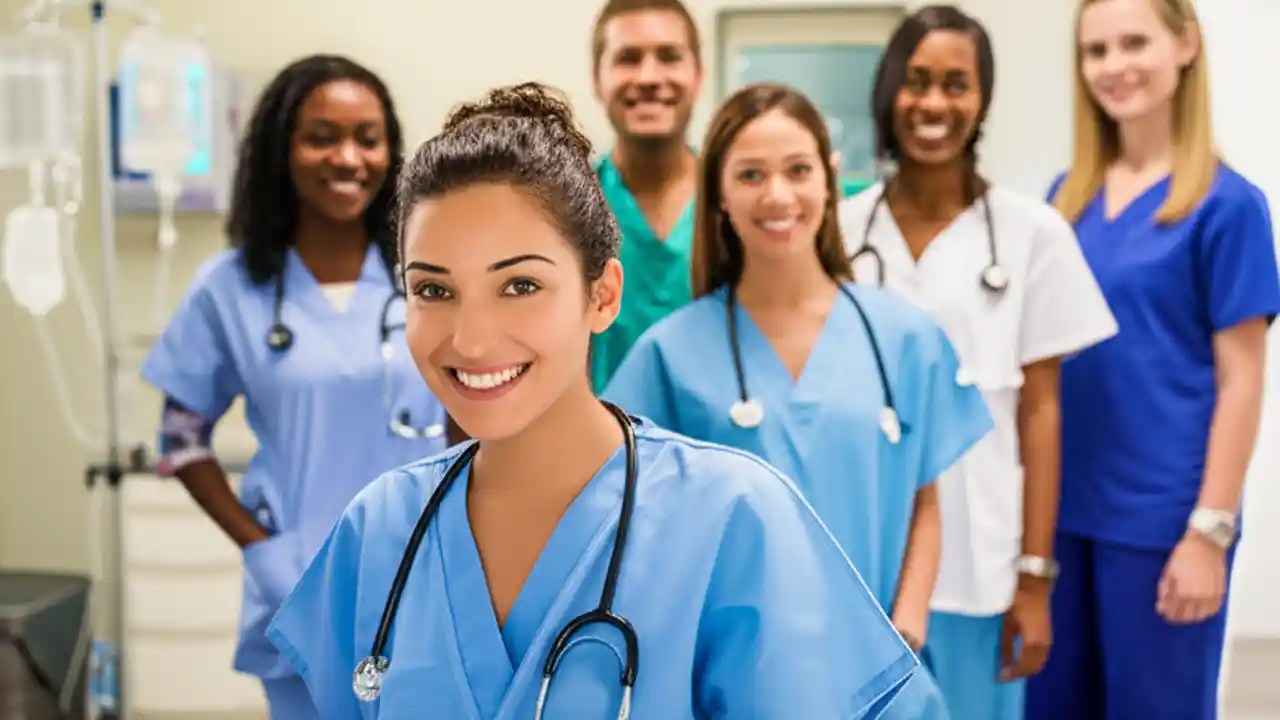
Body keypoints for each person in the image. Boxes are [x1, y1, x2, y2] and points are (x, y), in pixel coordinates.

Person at [265, 81, 922, 719]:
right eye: (433, 291)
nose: (469, 339)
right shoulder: (379, 531)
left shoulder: (733, 520)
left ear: (603, 296)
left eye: (519, 285)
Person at [602, 82, 995, 717]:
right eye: (751, 174)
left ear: (830, 180)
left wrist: (911, 621)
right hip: (738, 680)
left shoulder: (903, 337)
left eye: (798, 170)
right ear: (720, 195)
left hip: (885, 674)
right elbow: (641, 526)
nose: (778, 195)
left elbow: (926, 497)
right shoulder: (670, 354)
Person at [140, 55, 448, 719]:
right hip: (298, 580)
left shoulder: (426, 273)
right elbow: (180, 439)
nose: (349, 157)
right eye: (322, 136)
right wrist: (260, 545)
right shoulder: (231, 288)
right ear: (283, 149)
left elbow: (467, 414)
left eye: (368, 137)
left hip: (423, 570)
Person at [836, 7, 1118, 720]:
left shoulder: (1032, 235)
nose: (933, 103)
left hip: (983, 568)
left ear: (983, 99)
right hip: (859, 561)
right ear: (888, 90)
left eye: (956, 84)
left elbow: (1042, 410)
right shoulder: (837, 231)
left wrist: (1034, 579)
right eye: (917, 81)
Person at [1024, 1, 1280, 717]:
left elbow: (1243, 380)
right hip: (1062, 513)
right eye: (1096, 50)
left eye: (1135, 42)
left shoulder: (1228, 206)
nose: (1115, 66)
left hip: (1162, 521)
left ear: (1186, 46)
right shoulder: (1064, 200)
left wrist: (1210, 530)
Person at [588, 0, 702, 392]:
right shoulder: (563, 208)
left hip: (719, 446)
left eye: (669, 57)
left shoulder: (732, 205)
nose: (650, 77)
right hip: (600, 450)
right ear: (597, 78)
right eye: (628, 59)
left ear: (698, 76)